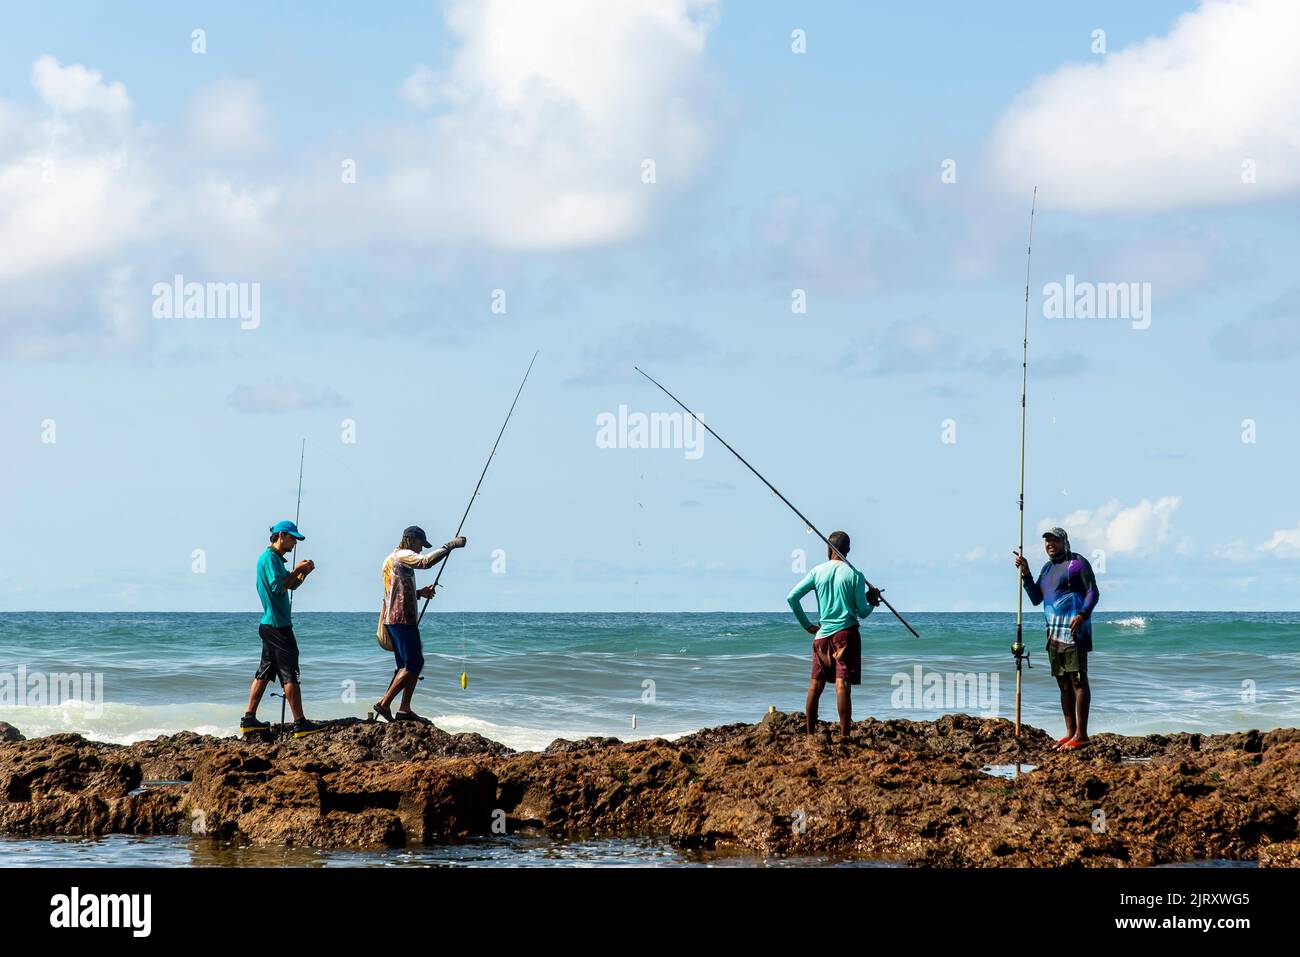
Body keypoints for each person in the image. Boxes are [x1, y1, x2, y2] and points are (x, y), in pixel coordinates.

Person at [786, 530, 881, 736]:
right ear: (847, 551)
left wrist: (807, 625)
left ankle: (810, 734)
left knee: (814, 687)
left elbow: (792, 598)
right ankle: (844, 736)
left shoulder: (817, 572)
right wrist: (872, 600)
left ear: (829, 549)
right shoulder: (855, 575)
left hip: (821, 637)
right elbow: (862, 612)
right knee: (842, 687)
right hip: (845, 636)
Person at [1014, 526, 1100, 751]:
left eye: (1054, 541)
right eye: (1047, 541)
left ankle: (1082, 735)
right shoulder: (1047, 569)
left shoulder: (1077, 563)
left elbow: (1093, 592)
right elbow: (1035, 598)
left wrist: (1082, 615)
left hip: (1075, 634)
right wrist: (1026, 574)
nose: (1050, 545)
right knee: (1063, 685)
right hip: (1053, 636)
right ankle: (1070, 732)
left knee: (1078, 682)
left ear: (1064, 542)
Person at [240, 520, 325, 738]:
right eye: (293, 538)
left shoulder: (276, 559)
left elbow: (290, 585)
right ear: (281, 536)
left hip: (271, 625)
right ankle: (300, 724)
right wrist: (296, 569)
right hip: (278, 626)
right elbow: (278, 587)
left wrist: (303, 573)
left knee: (265, 671)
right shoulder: (269, 558)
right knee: (290, 673)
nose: (295, 542)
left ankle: (249, 720)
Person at [373, 526, 467, 723]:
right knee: (415, 663)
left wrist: (419, 593)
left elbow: (394, 592)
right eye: (420, 544)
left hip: (393, 618)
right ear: (411, 540)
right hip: (402, 618)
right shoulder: (403, 554)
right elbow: (425, 563)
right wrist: (450, 546)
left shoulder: (390, 559)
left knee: (405, 666)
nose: (421, 549)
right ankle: (384, 703)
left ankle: (404, 710)